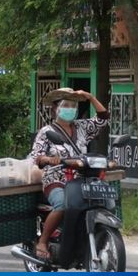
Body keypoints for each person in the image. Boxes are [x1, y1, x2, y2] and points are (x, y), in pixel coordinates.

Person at [28, 87, 109, 260]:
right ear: (55, 109)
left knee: (99, 202)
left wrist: (90, 97)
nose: (70, 109)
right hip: (56, 178)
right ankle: (43, 241)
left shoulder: (82, 127)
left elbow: (103, 118)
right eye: (66, 105)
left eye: (73, 106)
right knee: (62, 205)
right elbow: (37, 157)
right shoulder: (46, 131)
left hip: (82, 178)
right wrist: (49, 159)